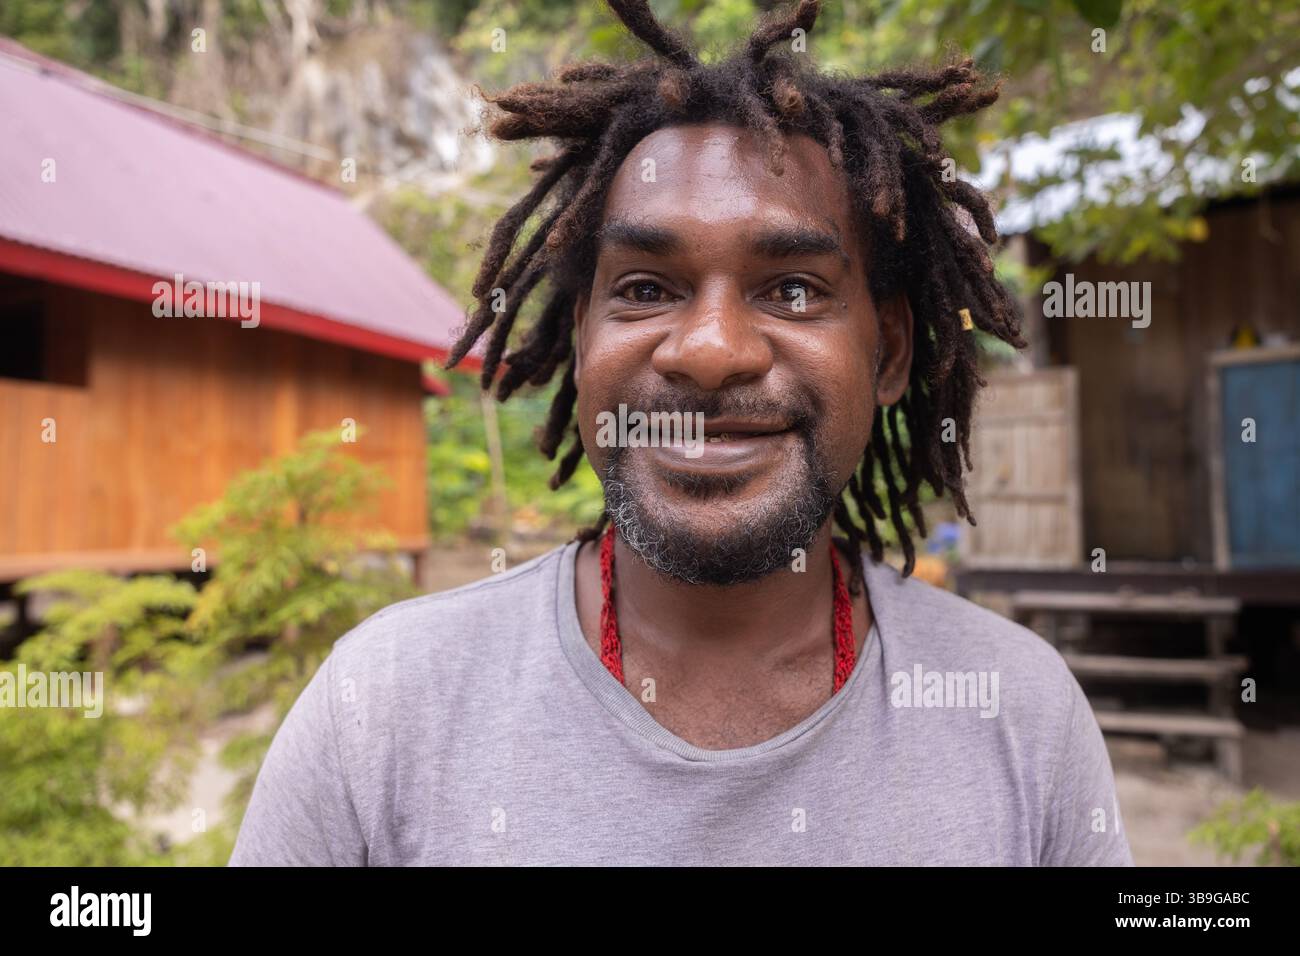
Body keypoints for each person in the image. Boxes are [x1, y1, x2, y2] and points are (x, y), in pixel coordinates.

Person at [229, 0, 1133, 866]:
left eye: (793, 290)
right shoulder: (382, 706)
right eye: (647, 289)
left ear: (888, 351)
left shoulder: (1019, 711)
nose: (709, 353)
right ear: (583, 342)